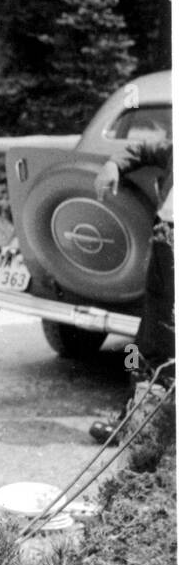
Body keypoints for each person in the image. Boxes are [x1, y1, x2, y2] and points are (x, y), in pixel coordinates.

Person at [89, 139, 173, 444]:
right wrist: (113, 164)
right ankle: (128, 416)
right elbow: (142, 149)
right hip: (166, 242)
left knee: (167, 342)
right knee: (141, 343)